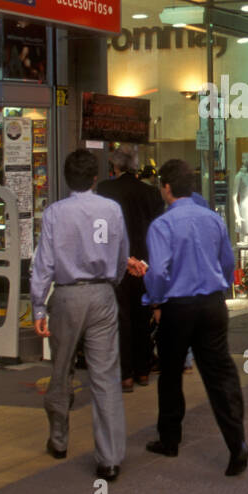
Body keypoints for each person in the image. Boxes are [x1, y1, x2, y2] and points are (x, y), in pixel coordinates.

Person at [143, 159, 248, 476]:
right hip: (213, 303)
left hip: (178, 305)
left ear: (166, 188)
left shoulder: (162, 225)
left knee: (171, 373)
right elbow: (227, 262)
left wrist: (156, 301)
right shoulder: (212, 219)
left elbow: (159, 271)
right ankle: (237, 442)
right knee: (220, 374)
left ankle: (170, 438)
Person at [30, 150, 129, 481]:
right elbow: (121, 254)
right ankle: (110, 458)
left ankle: (58, 440)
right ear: (95, 178)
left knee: (61, 370)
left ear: (65, 179)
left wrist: (38, 305)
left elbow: (43, 263)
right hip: (102, 293)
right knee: (105, 376)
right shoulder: (112, 209)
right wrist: (111, 281)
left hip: (67, 295)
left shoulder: (56, 213)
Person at [95, 147, 165, 392]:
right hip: (145, 264)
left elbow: (100, 232)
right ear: (135, 167)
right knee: (142, 316)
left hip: (116, 263)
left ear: (114, 166)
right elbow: (157, 230)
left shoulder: (104, 191)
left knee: (121, 319)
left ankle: (125, 374)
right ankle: (143, 370)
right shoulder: (151, 193)